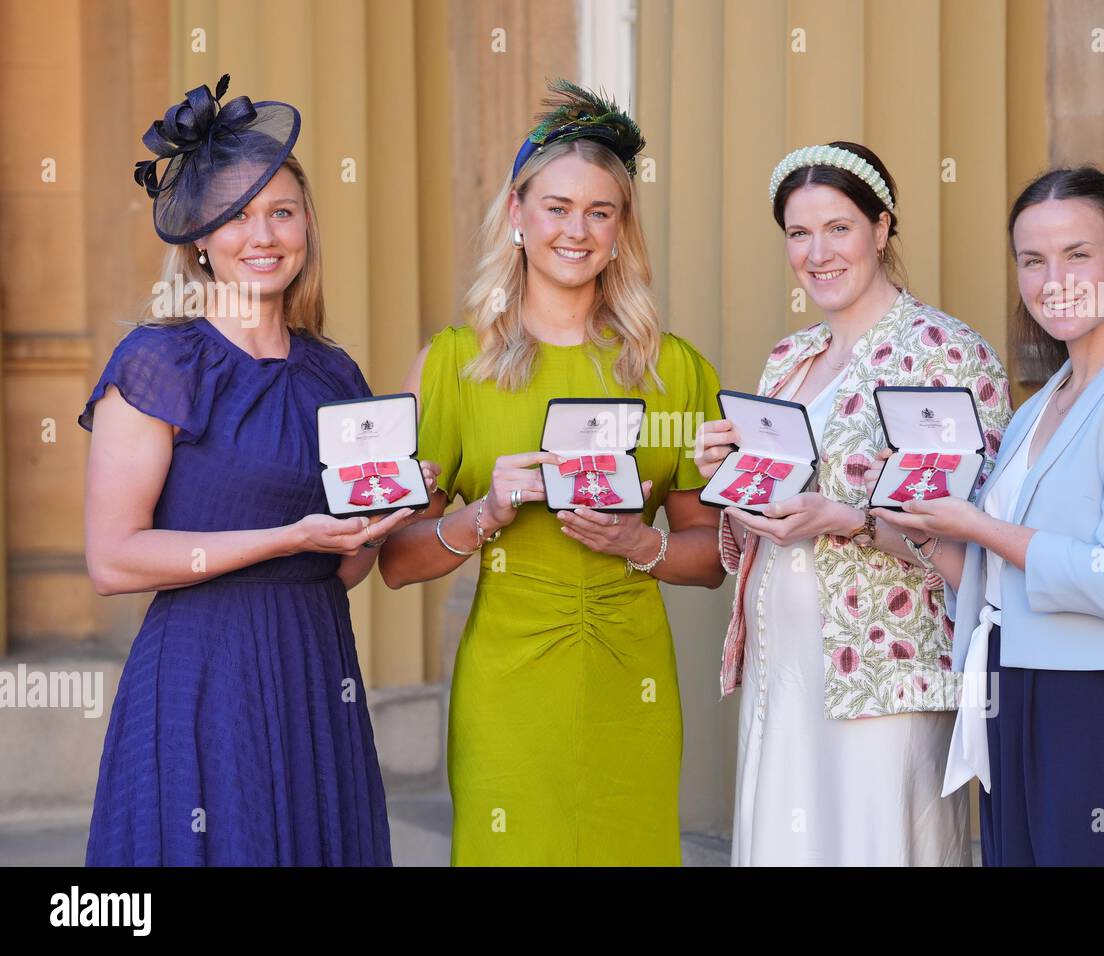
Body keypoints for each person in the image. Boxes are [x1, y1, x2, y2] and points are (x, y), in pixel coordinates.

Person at [81, 75, 431, 865]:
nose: (262, 233)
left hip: (316, 672)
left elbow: (341, 570)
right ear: (199, 236)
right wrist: (285, 537)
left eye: (281, 210)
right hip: (204, 676)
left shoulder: (334, 376)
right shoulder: (159, 363)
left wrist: (390, 516)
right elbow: (112, 559)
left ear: (308, 223)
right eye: (236, 215)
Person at [379, 81, 725, 865]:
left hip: (632, 682)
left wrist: (642, 545)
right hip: (506, 685)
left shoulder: (674, 370)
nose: (577, 230)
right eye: (557, 207)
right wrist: (485, 515)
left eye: (600, 212)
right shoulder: (452, 366)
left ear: (622, 228)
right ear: (517, 216)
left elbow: (714, 560)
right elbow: (396, 560)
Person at [872, 165, 1104, 865]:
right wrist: (894, 527)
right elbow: (997, 580)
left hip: (1097, 709)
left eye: (1077, 253)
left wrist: (976, 525)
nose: (1052, 277)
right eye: (1032, 259)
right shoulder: (1041, 403)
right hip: (1011, 695)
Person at [695, 142, 1013, 865]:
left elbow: (978, 546)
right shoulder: (789, 359)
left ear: (882, 226)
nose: (817, 252)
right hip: (785, 664)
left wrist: (848, 520)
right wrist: (731, 480)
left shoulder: (947, 354)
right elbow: (763, 518)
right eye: (799, 233)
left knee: (876, 845)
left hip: (884, 667)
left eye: (838, 228)